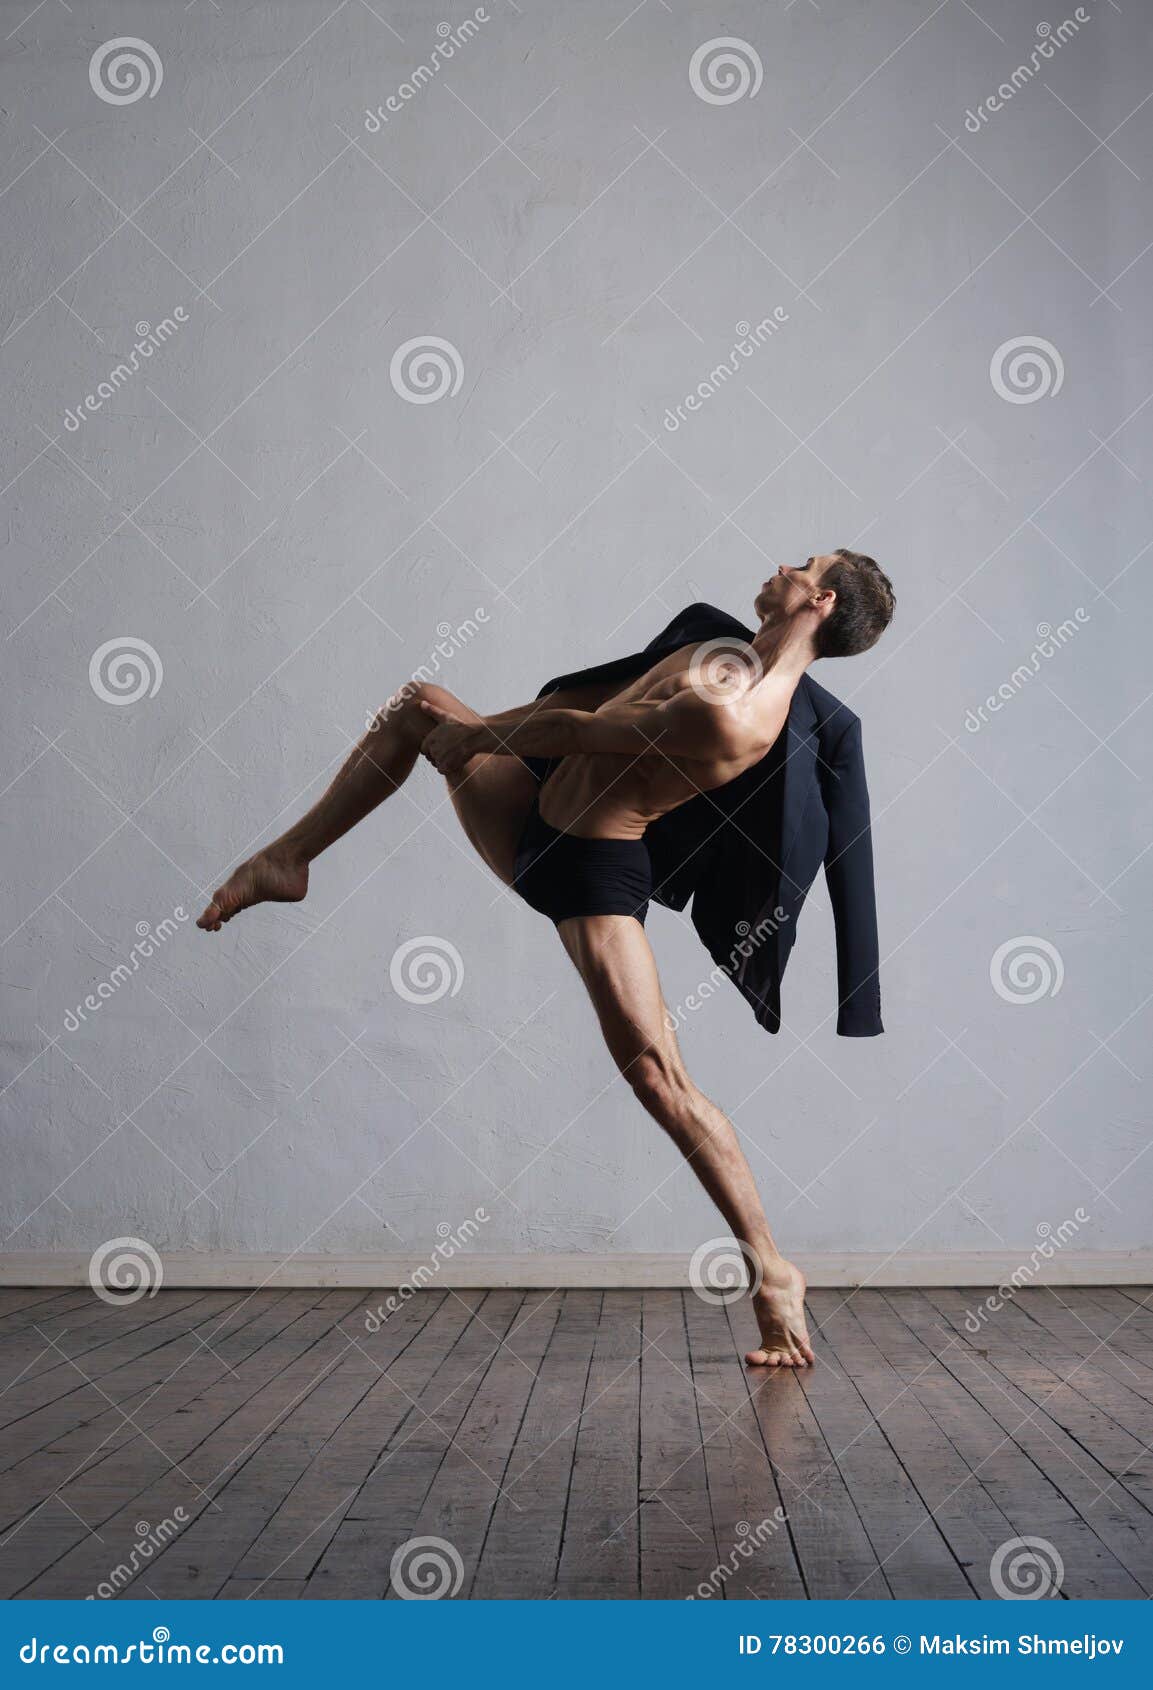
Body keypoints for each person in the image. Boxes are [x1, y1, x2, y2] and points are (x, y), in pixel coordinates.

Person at [197, 551, 895, 1365]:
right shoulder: (718, 647)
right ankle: (287, 861)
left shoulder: (737, 711)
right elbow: (572, 708)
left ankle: (773, 1273)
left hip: (590, 876)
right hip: (529, 818)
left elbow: (578, 733)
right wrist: (466, 738)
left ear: (819, 598)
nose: (781, 562)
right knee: (417, 704)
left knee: (657, 1078)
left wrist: (470, 738)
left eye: (802, 563)